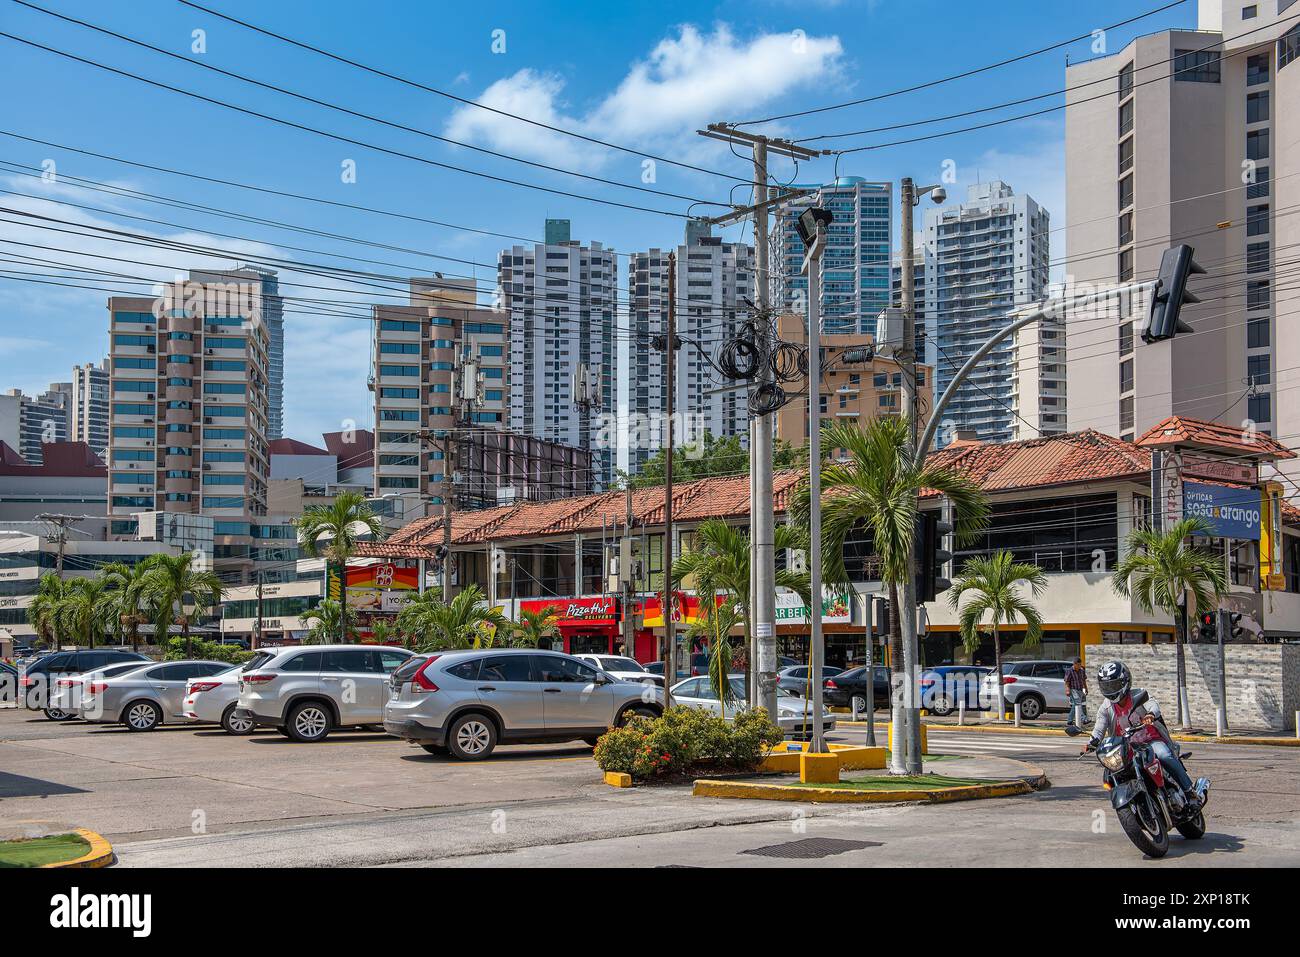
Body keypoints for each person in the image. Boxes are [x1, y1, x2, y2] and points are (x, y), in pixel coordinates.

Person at [1082, 660, 1200, 807]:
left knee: (1164, 755)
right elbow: (1099, 727)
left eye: (1114, 685)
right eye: (1107, 686)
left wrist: (1150, 714)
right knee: (1111, 774)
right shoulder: (1106, 707)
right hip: (1127, 748)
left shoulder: (1139, 694)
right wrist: (1092, 742)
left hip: (1151, 741)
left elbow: (1153, 705)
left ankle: (1190, 791)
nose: (1111, 690)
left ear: (1125, 682)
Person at [1064, 657, 1088, 725]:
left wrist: (1086, 688)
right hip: (1073, 690)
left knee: (1075, 706)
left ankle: (1069, 720)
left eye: (1080, 664)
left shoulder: (1081, 670)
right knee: (1078, 703)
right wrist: (1067, 690)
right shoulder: (1070, 671)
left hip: (1080, 689)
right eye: (1078, 665)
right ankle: (1084, 719)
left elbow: (1083, 680)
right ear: (1074, 664)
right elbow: (1066, 682)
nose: (1079, 666)